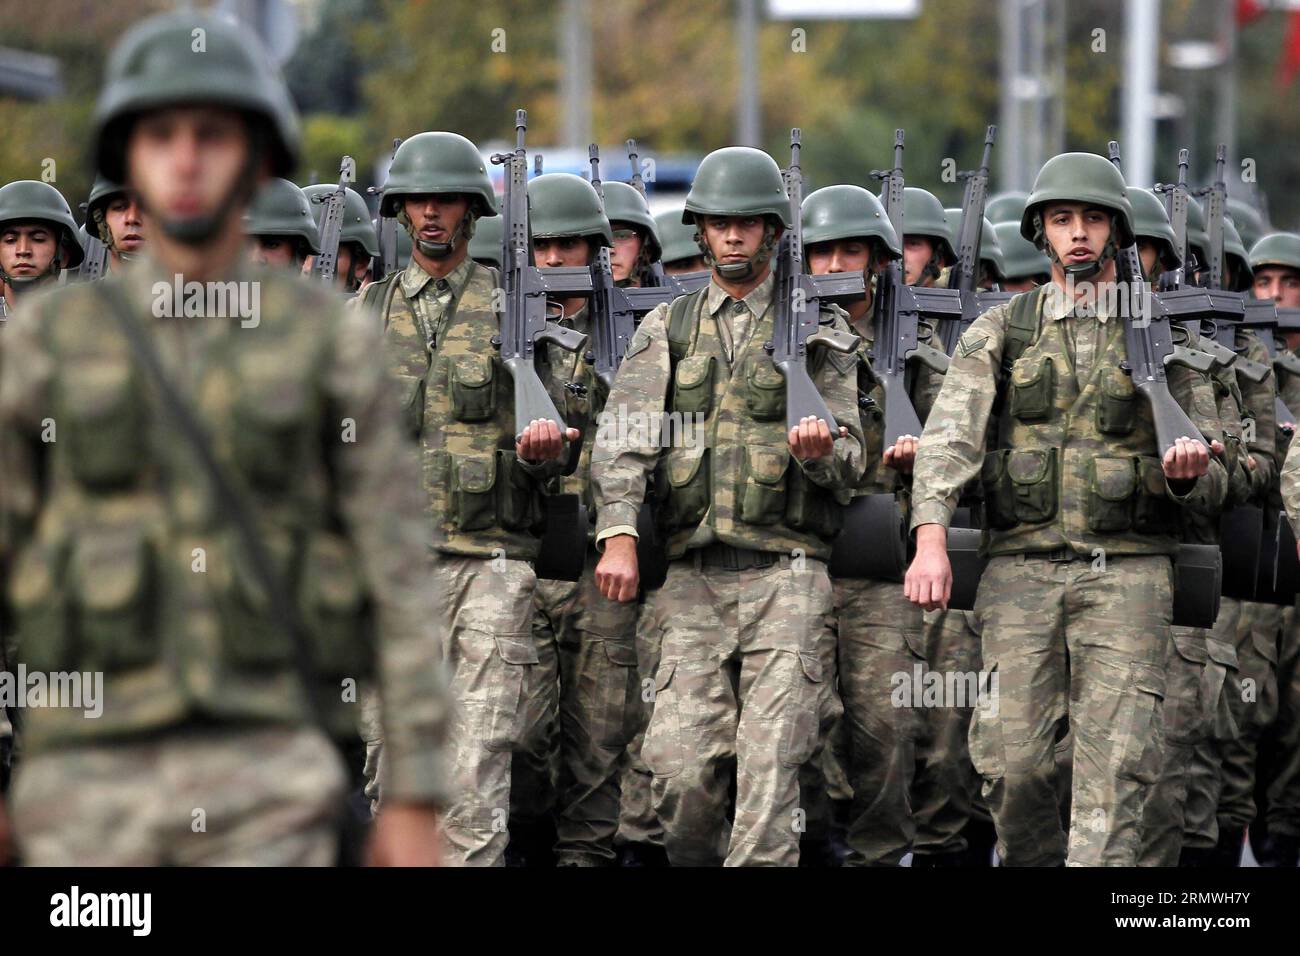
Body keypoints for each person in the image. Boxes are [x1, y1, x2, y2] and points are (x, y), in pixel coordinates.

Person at [0, 9, 450, 867]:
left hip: (271, 782)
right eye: (160, 134)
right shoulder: (48, 343)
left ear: (256, 154)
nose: (185, 158)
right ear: (125, 158)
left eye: (212, 134)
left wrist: (417, 791)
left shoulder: (330, 340)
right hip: (86, 784)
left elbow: (396, 572)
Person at [905, 151, 1227, 866]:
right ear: (1040, 232)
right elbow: (949, 437)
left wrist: (1186, 473)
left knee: (1114, 775)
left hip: (1130, 576)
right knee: (1011, 769)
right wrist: (930, 536)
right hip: (1019, 571)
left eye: (1091, 219)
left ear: (1116, 229)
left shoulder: (1165, 336)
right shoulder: (1003, 330)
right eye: (1061, 220)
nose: (1076, 233)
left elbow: (1219, 482)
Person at [591, 145, 866, 865]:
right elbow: (622, 440)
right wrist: (618, 532)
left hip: (790, 575)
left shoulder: (819, 331)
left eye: (748, 223)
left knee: (771, 770)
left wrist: (822, 453)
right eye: (719, 224)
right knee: (681, 775)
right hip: (691, 580)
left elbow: (855, 456)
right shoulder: (669, 328)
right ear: (701, 233)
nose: (734, 236)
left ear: (774, 232)